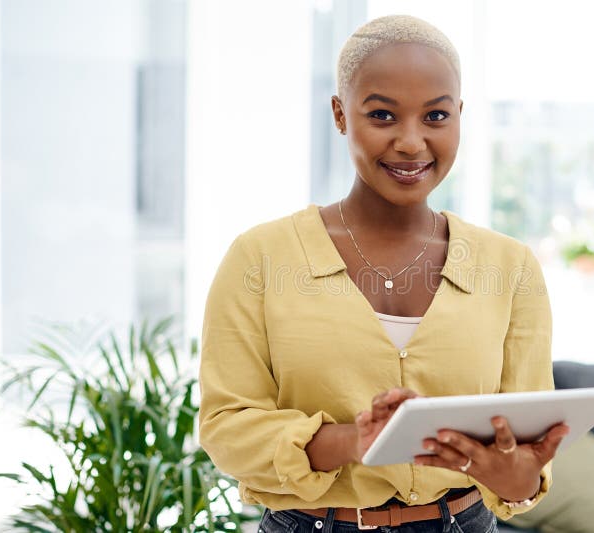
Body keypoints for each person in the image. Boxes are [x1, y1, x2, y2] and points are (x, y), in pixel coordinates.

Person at [198, 14, 568, 533]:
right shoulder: (259, 258)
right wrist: (353, 440)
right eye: (383, 115)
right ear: (340, 114)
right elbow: (225, 429)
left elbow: (526, 469)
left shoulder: (511, 268)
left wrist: (517, 475)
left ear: (460, 115)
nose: (412, 142)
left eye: (436, 116)